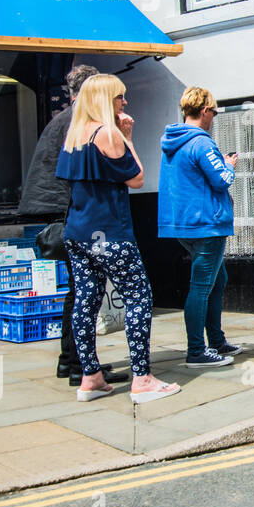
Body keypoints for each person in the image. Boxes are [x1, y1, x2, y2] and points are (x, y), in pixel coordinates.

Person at [57, 75, 179, 403]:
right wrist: (128, 137)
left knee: (85, 301)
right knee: (139, 296)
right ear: (103, 100)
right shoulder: (106, 133)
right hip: (110, 232)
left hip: (78, 233)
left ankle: (90, 377)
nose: (124, 103)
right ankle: (142, 379)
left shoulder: (74, 135)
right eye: (119, 97)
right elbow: (137, 178)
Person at [18, 64, 128, 388]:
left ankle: (70, 361)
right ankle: (82, 366)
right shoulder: (81, 121)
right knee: (85, 292)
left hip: (57, 210)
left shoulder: (65, 118)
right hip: (70, 213)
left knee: (77, 291)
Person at [158, 86, 240, 367]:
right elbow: (221, 180)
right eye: (214, 112)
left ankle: (216, 341)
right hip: (208, 224)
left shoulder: (172, 141)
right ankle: (197, 350)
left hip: (183, 224)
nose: (214, 117)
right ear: (205, 111)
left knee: (218, 280)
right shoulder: (201, 143)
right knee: (202, 287)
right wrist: (229, 165)